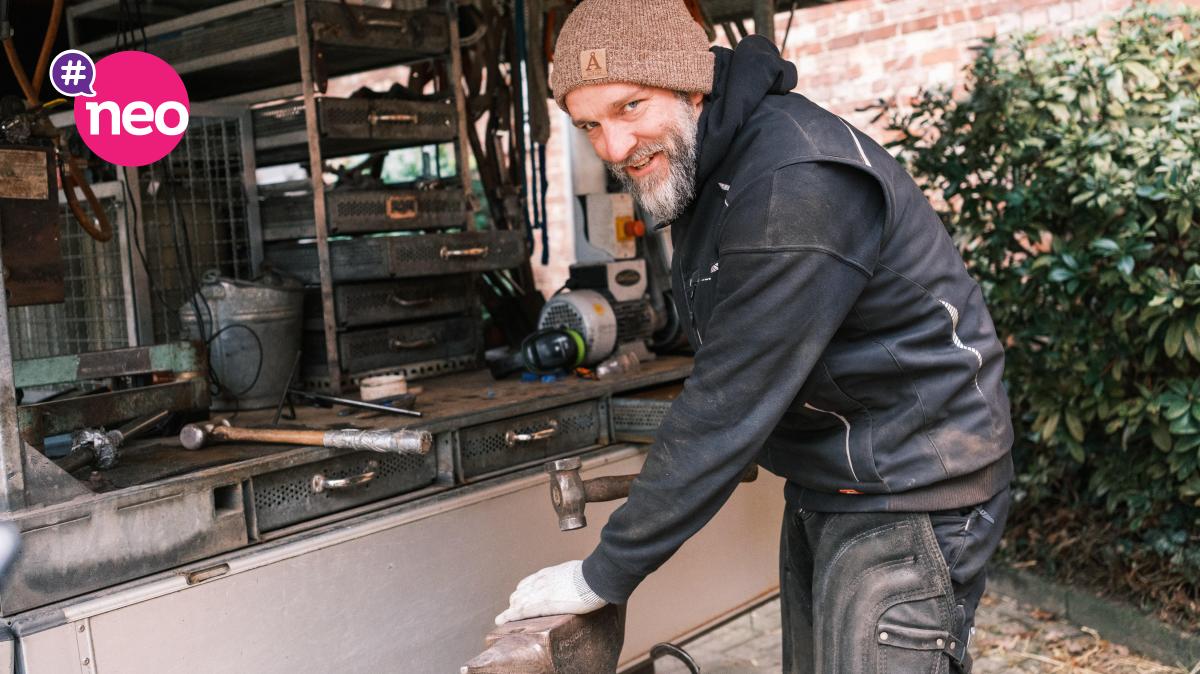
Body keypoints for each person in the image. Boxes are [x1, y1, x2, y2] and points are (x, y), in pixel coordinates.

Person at [495, 1, 1013, 671]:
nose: (614, 149)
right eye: (589, 124)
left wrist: (603, 573)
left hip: (916, 488)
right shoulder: (711, 165)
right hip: (837, 481)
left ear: (692, 83)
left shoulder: (793, 183)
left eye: (630, 107)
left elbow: (727, 402)